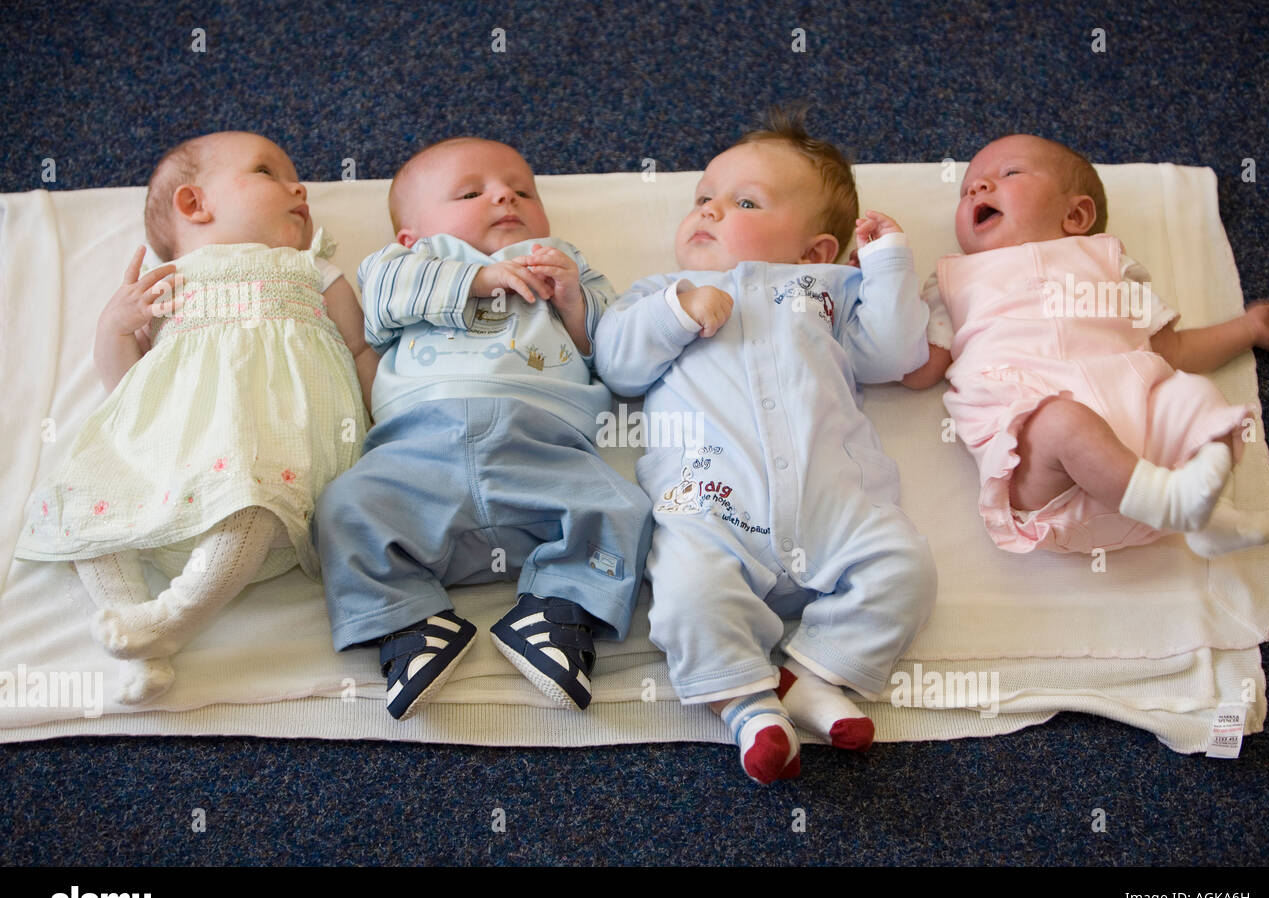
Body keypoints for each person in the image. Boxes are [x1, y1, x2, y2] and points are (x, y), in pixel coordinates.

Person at [594, 110, 938, 783]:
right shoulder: (659, 293)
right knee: (688, 595)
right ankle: (747, 706)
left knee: (907, 570)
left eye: (743, 202)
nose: (710, 210)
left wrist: (889, 265)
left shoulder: (827, 292)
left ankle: (812, 676)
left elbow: (896, 354)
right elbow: (617, 366)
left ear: (814, 252)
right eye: (703, 198)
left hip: (837, 508)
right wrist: (676, 314)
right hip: (712, 507)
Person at [16, 131, 376, 704]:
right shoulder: (167, 283)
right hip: (174, 449)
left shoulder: (313, 269)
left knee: (250, 500)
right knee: (81, 500)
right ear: (194, 204)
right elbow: (124, 385)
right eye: (268, 172)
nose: (299, 187)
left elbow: (360, 349)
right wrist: (115, 324)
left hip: (272, 449)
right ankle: (136, 627)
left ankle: (173, 618)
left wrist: (383, 418)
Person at [312, 137, 652, 720]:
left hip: (543, 452)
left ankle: (554, 614)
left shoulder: (564, 261)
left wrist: (573, 300)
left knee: (624, 507)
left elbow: (612, 353)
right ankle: (410, 625)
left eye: (523, 190)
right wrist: (478, 279)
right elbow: (383, 306)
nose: (504, 195)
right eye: (472, 192)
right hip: (416, 457)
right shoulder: (404, 265)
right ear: (410, 235)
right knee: (342, 508)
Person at [901, 134, 1269, 557]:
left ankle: (1205, 512)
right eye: (967, 189)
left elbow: (1172, 351)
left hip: (1139, 446)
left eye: (1009, 173)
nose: (976, 187)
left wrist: (1248, 329)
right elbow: (921, 371)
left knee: (1195, 395)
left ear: (1076, 214)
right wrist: (878, 289)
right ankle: (1170, 503)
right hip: (1047, 478)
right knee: (1063, 422)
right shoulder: (952, 281)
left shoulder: (1111, 265)